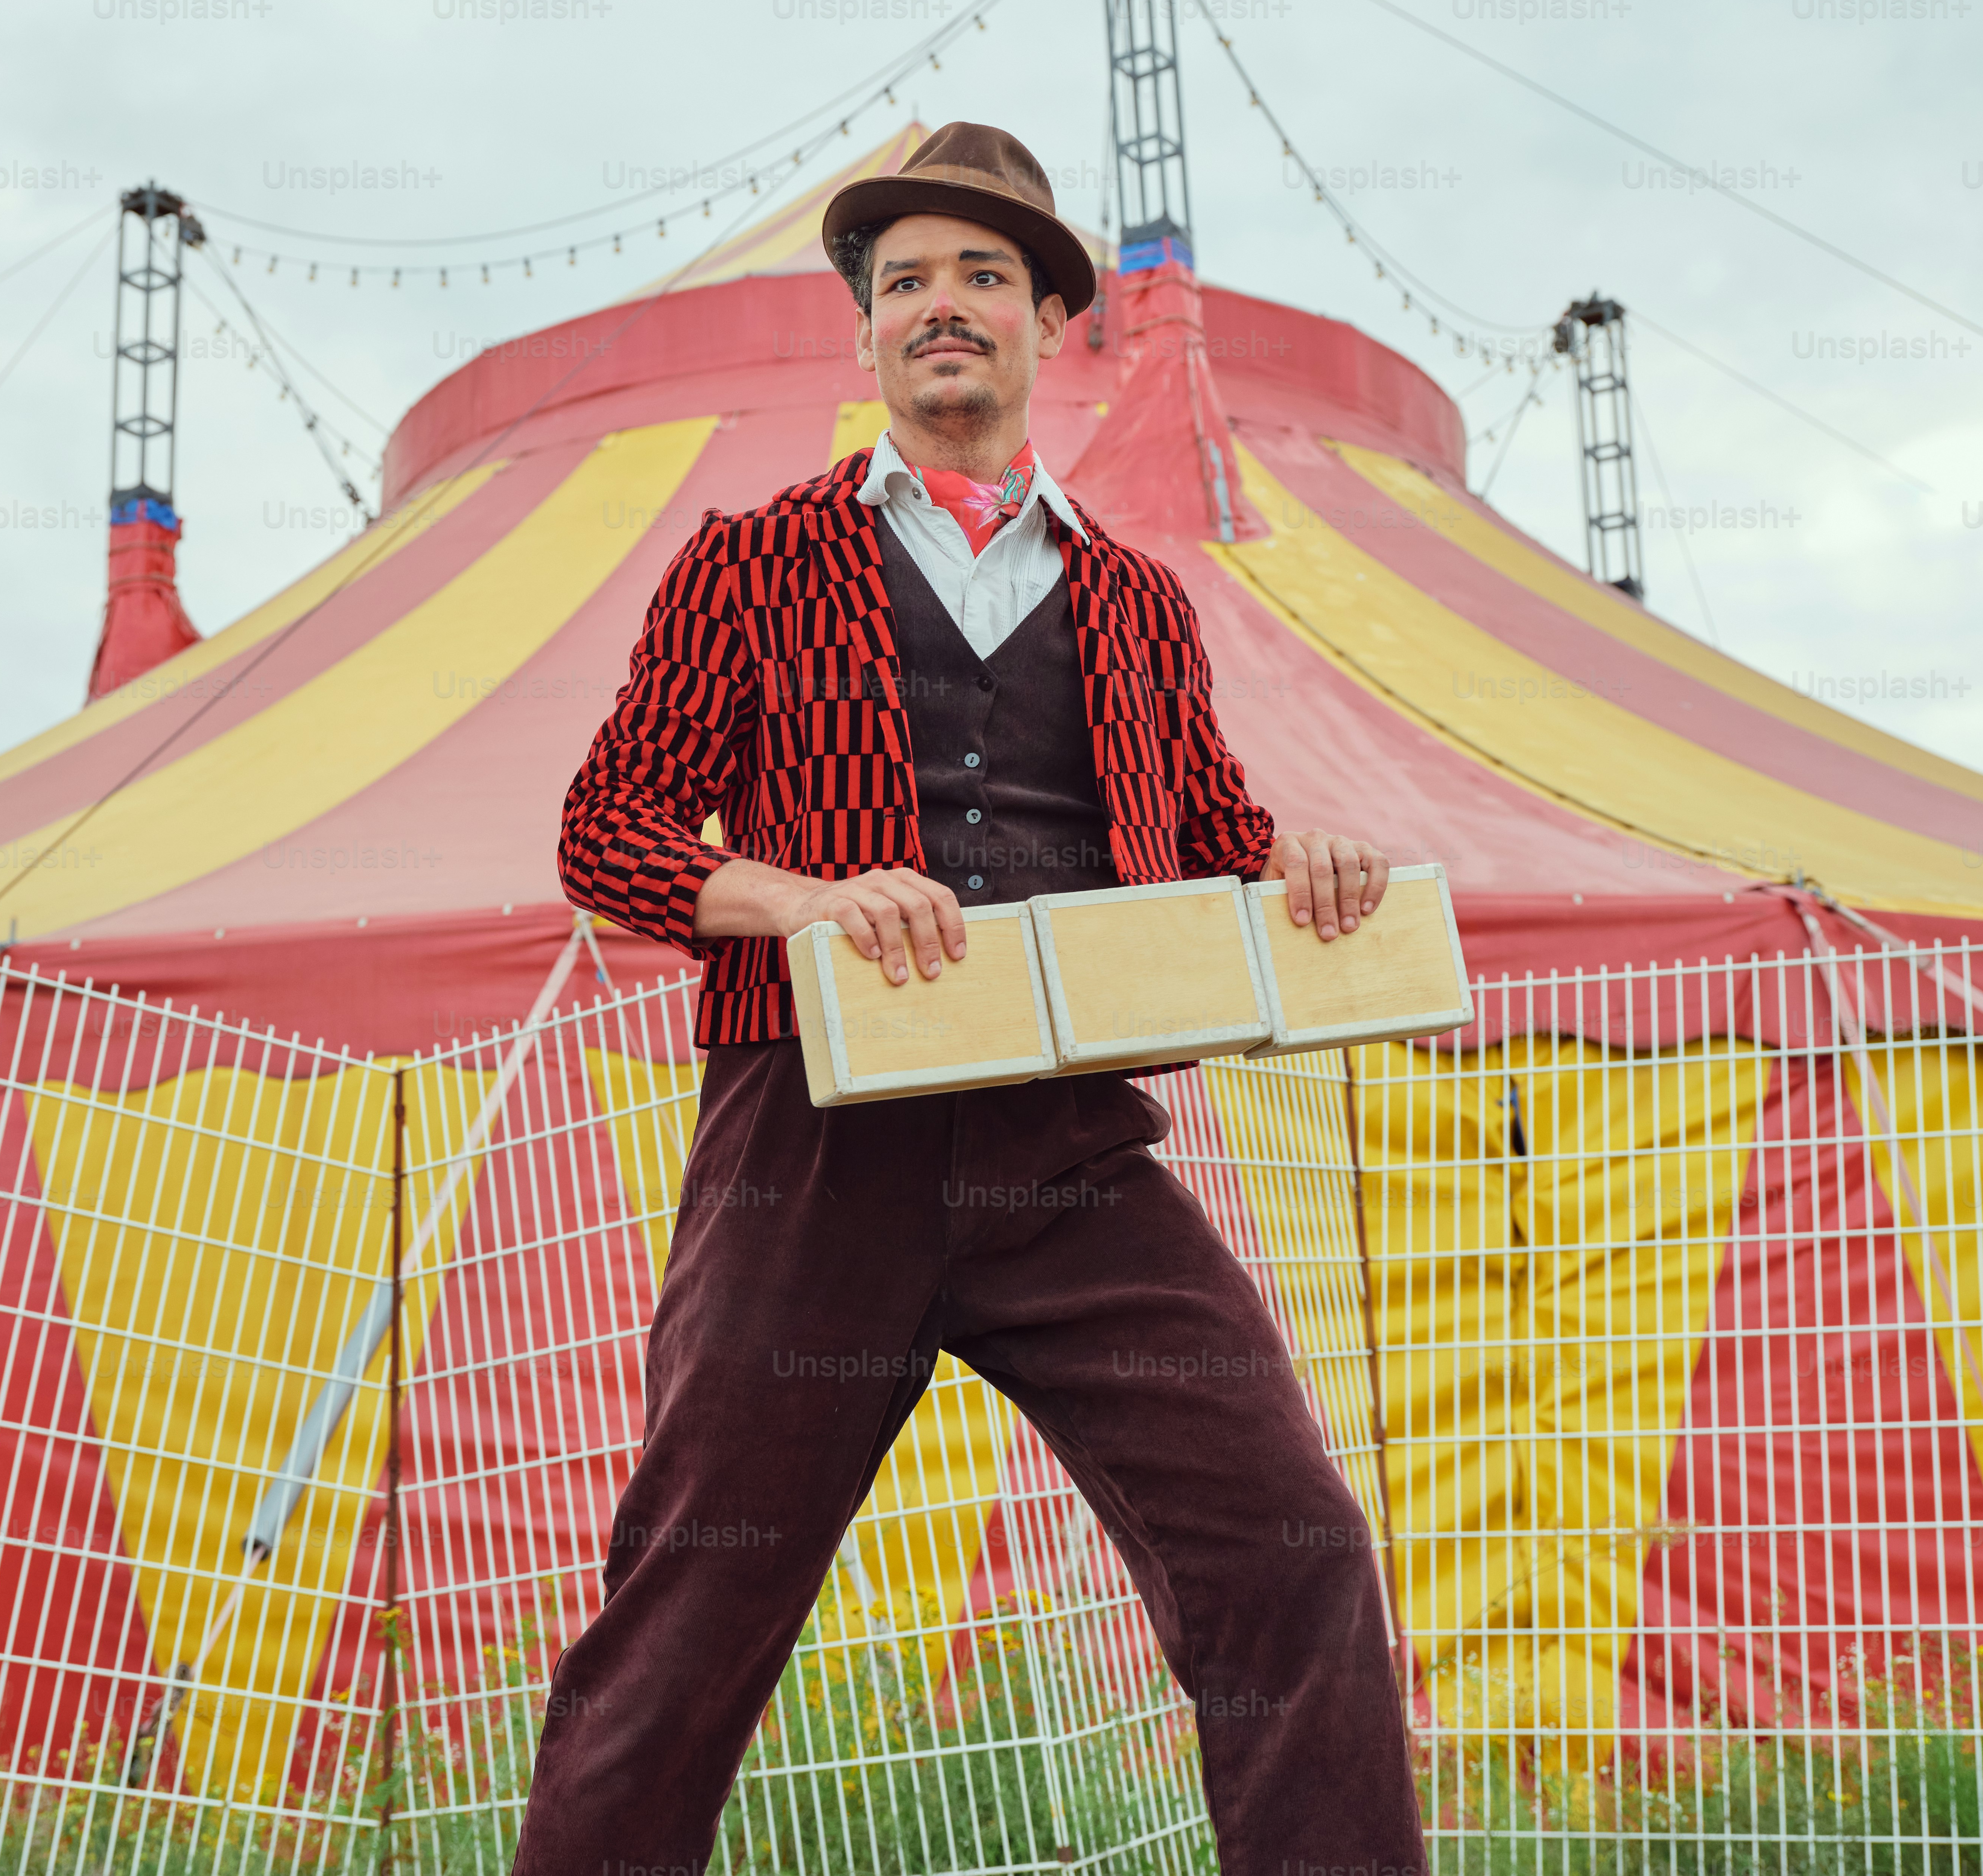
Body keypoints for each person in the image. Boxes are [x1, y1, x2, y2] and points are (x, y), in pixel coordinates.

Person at [517, 122, 1426, 1875]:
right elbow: (604, 831)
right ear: (863, 334)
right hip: (809, 1154)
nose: (946, 306)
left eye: (985, 277)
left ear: (1047, 327)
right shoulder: (748, 561)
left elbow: (1221, 851)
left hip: (1068, 1153)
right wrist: (801, 898)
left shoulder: (1140, 603)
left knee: (1293, 1551)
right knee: (690, 1622)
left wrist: (1300, 873)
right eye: (910, 279)